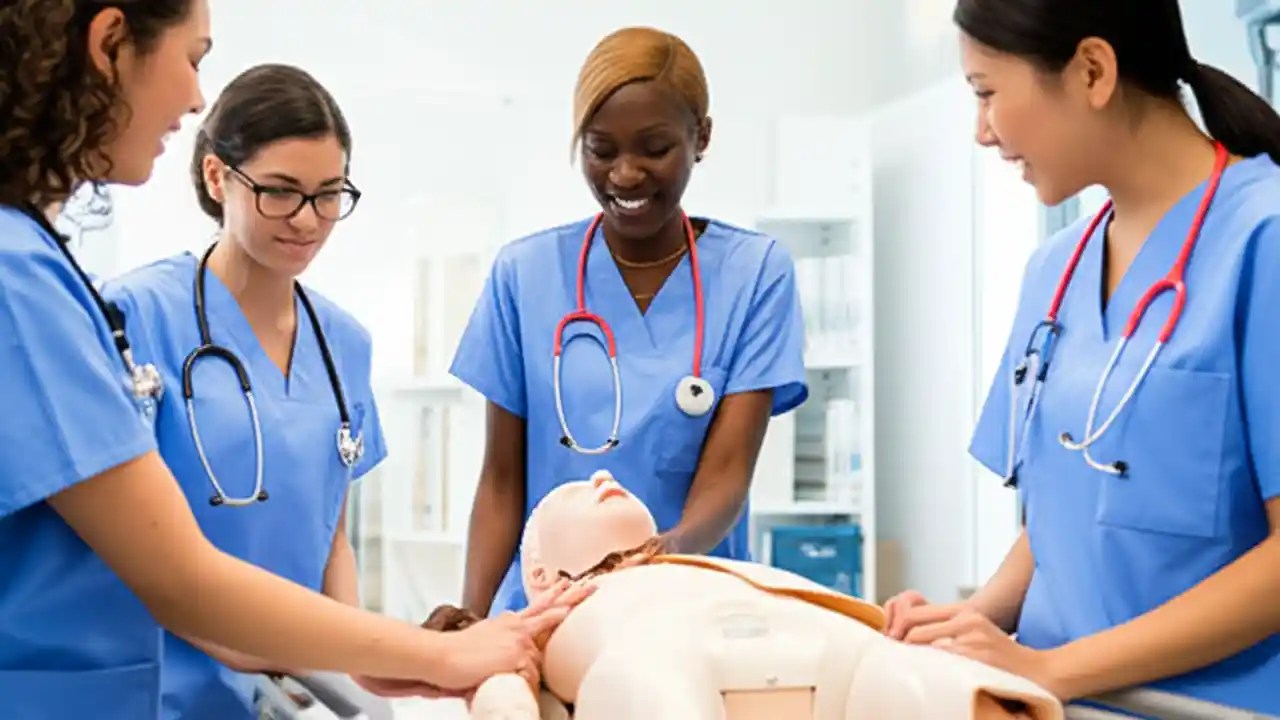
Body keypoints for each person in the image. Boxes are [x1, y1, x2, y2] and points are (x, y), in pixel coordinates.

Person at [0, 3, 582, 717]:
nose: (194, 96)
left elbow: (325, 524)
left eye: (328, 195)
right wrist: (427, 653)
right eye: (194, 57)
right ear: (109, 43)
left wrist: (363, 664)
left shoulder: (340, 341)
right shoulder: (38, 283)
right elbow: (177, 577)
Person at [882, 0, 1280, 714]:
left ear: (1092, 70)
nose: (981, 131)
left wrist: (1056, 667)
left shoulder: (1265, 241)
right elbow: (1072, 507)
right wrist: (981, 620)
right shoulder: (1054, 270)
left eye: (987, 93)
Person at [450, 25, 809, 618]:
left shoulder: (755, 273)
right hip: (545, 610)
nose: (625, 173)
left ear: (702, 138)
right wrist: (473, 617)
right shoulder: (525, 273)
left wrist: (659, 559)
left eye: (654, 147)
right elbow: (501, 481)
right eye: (601, 149)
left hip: (689, 599)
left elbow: (727, 477)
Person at [99, 63, 386, 719]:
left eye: (329, 193)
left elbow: (330, 537)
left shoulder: (346, 343)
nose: (308, 220)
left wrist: (350, 669)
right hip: (164, 687)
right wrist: (254, 650)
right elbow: (114, 541)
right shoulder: (134, 316)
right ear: (216, 177)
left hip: (298, 690)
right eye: (281, 192)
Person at [424, 471, 1063, 720]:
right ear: (541, 574)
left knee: (928, 692)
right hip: (660, 662)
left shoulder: (715, 570)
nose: (603, 474)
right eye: (574, 493)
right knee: (654, 697)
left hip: (828, 647)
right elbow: (504, 698)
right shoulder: (544, 620)